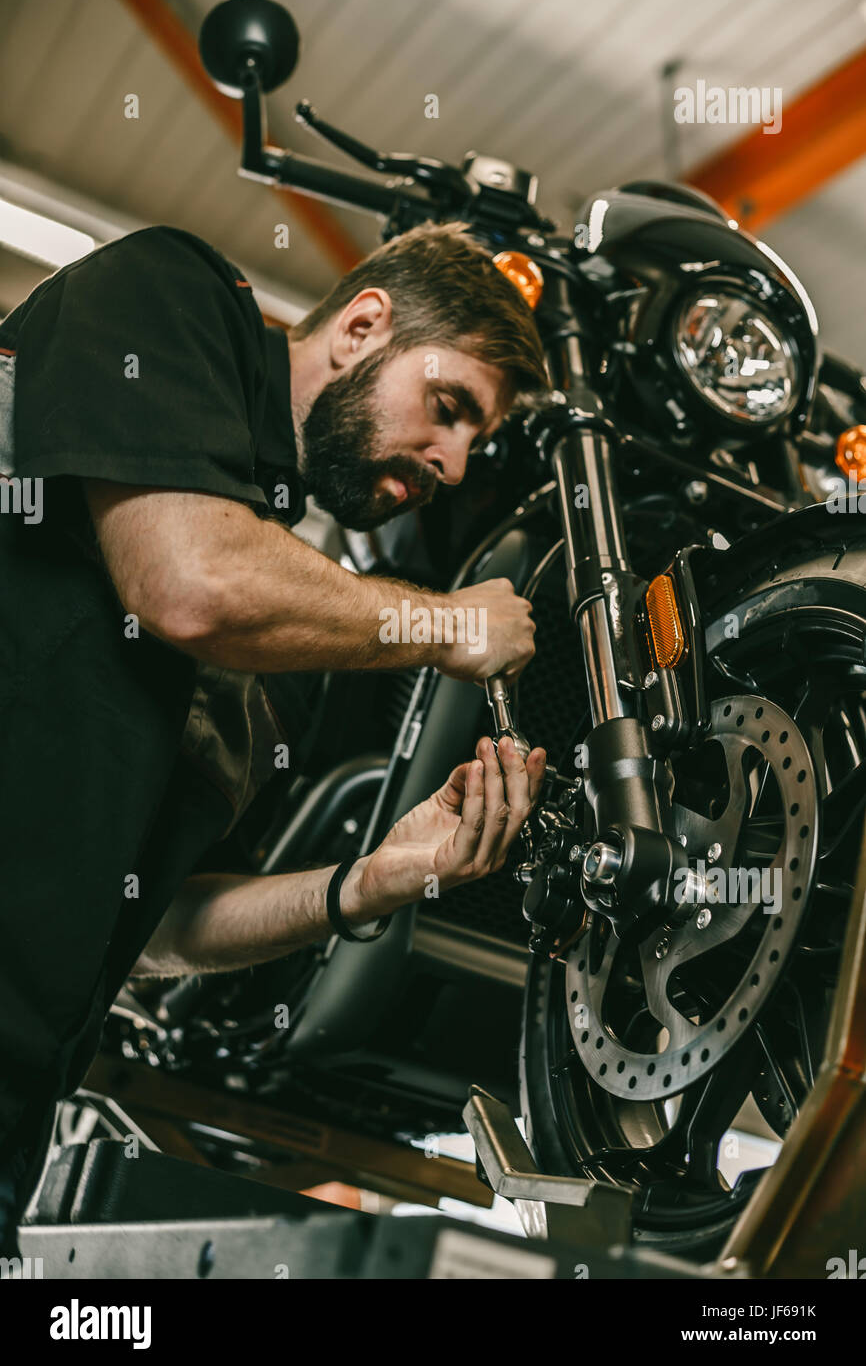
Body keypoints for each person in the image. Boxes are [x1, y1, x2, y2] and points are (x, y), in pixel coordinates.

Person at [0, 218, 548, 1251]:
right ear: (362, 326)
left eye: (473, 442)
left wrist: (368, 881)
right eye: (446, 408)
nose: (450, 460)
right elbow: (190, 581)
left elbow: (159, 932)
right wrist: (442, 620)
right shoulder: (172, 295)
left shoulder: (246, 680)